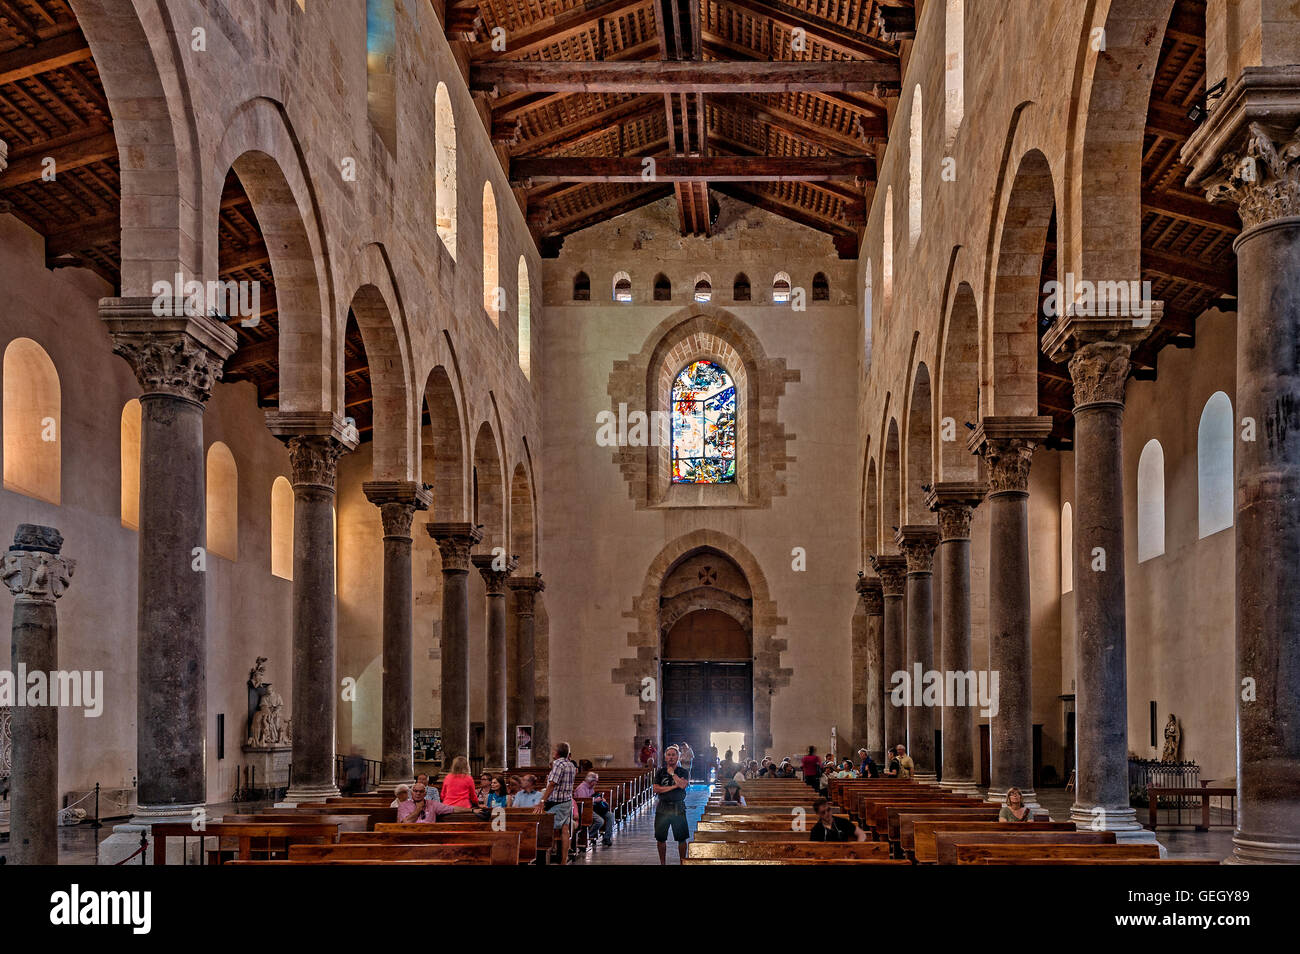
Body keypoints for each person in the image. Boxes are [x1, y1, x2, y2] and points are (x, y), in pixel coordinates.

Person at [534, 741, 577, 864]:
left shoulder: (558, 764)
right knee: (565, 830)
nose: (552, 752)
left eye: (553, 750)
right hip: (567, 801)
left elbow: (553, 783)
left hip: (557, 802)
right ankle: (563, 860)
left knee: (545, 829)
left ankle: (545, 858)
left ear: (557, 753)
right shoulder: (571, 765)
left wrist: (542, 800)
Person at [653, 745, 691, 864]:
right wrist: (674, 786)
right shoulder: (660, 772)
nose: (671, 757)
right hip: (662, 807)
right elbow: (656, 789)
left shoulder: (683, 771)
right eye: (668, 755)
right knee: (660, 838)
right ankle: (662, 862)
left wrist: (673, 774)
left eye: (673, 755)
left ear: (678, 757)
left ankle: (682, 862)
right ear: (665, 758)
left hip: (678, 807)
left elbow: (683, 785)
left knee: (682, 838)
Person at [574, 771, 613, 847]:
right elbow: (583, 803)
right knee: (600, 821)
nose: (596, 783)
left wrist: (601, 800)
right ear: (591, 781)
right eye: (596, 781)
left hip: (593, 809)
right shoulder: (581, 788)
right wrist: (595, 800)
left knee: (610, 816)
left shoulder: (590, 788)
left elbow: (593, 798)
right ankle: (586, 836)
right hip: (584, 811)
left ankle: (606, 838)